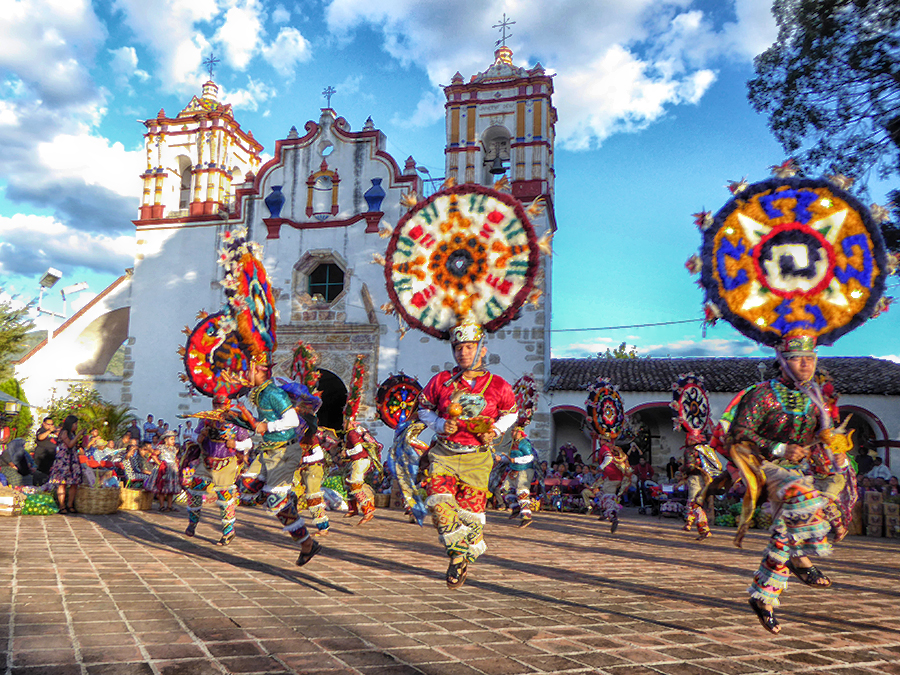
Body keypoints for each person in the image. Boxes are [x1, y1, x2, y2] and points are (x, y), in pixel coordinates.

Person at [728, 333, 835, 635]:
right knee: (801, 493)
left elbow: (814, 437)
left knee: (784, 532)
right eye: (798, 358)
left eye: (811, 358)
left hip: (795, 470)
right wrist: (778, 449)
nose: (806, 364)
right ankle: (802, 561)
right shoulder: (762, 394)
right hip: (760, 466)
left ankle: (764, 600)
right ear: (782, 362)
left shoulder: (815, 399)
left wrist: (824, 442)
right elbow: (740, 435)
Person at [418, 323, 517, 589]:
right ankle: (457, 554)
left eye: (469, 347)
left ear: (482, 350)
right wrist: (439, 424)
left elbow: (511, 412)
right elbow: (424, 409)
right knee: (439, 506)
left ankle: (462, 558)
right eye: (458, 347)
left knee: (470, 517)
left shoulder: (498, 385)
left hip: (477, 459)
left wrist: (495, 430)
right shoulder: (441, 381)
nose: (463, 352)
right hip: (444, 454)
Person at [237, 356, 321, 566]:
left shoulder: (273, 393)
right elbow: (261, 423)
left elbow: (291, 420)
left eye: (248, 370)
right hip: (267, 451)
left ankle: (307, 544)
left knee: (274, 502)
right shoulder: (259, 394)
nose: (245, 374)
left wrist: (268, 428)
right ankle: (284, 497)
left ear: (259, 372)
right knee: (246, 486)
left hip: (284, 452)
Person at [183, 396, 253, 544]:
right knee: (195, 489)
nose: (218, 408)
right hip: (206, 460)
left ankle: (228, 532)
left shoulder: (236, 421)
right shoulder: (206, 419)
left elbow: (248, 443)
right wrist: (200, 436)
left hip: (226, 463)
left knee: (224, 496)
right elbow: (195, 435)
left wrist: (235, 443)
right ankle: (192, 522)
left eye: (222, 405)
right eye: (216, 405)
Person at [49, 415, 84, 514]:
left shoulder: (72, 433)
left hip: (73, 459)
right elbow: (69, 444)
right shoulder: (64, 432)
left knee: (74, 483)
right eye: (75, 424)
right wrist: (78, 435)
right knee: (62, 482)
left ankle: (70, 505)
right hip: (64, 460)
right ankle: (62, 505)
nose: (76, 426)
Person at [595, 437, 631, 532]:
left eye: (601, 439)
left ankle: (613, 517)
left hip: (611, 476)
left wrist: (601, 466)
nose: (599, 441)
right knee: (602, 492)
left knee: (608, 496)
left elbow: (608, 458)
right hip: (616, 476)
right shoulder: (613, 449)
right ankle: (605, 513)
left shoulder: (605, 448)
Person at [506, 426, 536, 527]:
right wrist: (500, 459)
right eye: (512, 431)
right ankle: (515, 507)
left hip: (524, 469)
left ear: (519, 432)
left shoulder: (524, 443)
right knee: (506, 488)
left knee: (521, 491)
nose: (512, 433)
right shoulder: (513, 443)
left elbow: (530, 457)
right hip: (514, 469)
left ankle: (526, 516)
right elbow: (510, 457)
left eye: (514, 431)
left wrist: (516, 460)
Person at [146, 431, 182, 512]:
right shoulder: (161, 448)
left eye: (174, 439)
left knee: (171, 488)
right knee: (162, 487)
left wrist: (177, 463)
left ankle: (170, 506)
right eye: (171, 439)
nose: (173, 441)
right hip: (164, 469)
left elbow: (175, 458)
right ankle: (162, 506)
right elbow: (153, 455)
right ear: (166, 439)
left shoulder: (174, 449)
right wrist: (159, 463)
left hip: (172, 470)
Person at [33, 417, 58, 483]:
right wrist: (49, 431)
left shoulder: (54, 433)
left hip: (51, 456)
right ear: (44, 423)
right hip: (42, 456)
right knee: (40, 474)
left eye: (51, 424)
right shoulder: (41, 430)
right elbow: (40, 437)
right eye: (48, 424)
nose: (50, 426)